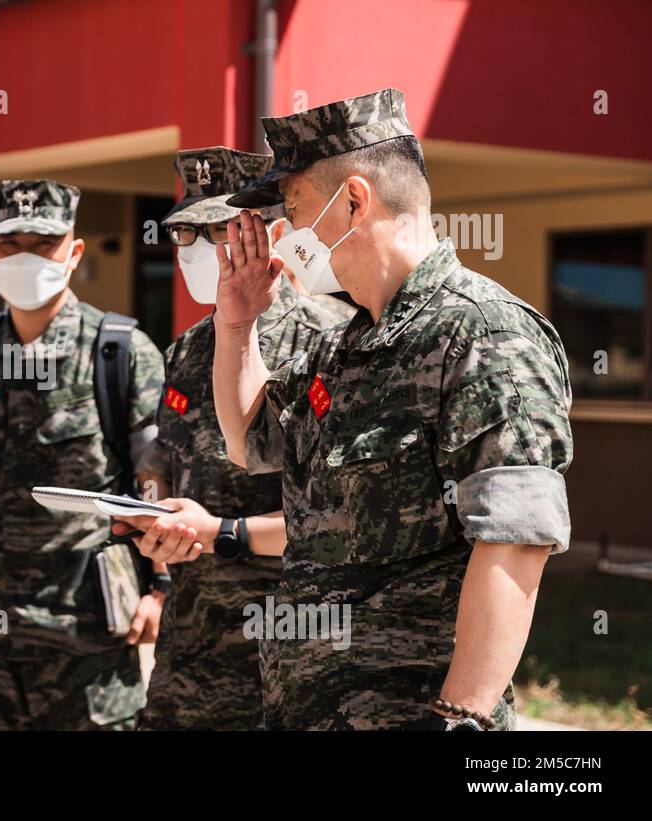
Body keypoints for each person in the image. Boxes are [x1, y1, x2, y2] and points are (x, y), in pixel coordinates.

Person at [213, 88, 573, 730]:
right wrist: (237, 326)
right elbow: (249, 441)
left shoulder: (484, 335)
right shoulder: (342, 346)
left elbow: (515, 543)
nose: (286, 236)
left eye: (293, 211)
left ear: (354, 199)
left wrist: (461, 717)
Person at [0, 180, 167, 730]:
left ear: (73, 253)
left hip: (88, 633)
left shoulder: (118, 351)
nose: (26, 256)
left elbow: (155, 478)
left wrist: (162, 587)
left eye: (43, 243)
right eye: (10, 243)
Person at [112, 147, 352, 730]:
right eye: (185, 235)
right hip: (188, 655)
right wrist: (152, 514)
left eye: (217, 230)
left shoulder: (334, 344)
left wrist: (222, 534)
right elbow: (159, 460)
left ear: (270, 231)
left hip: (288, 653)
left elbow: (348, 517)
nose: (196, 250)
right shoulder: (190, 348)